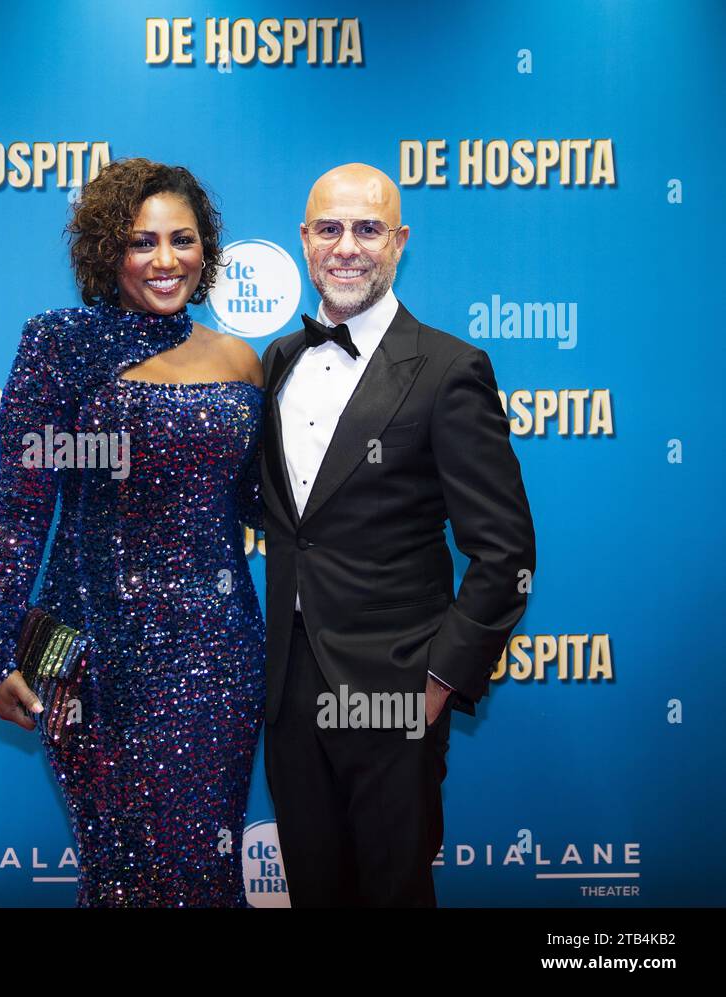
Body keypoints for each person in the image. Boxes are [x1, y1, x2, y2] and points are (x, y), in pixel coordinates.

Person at [0, 158, 266, 906]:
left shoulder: (241, 358)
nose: (166, 260)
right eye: (142, 242)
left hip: (220, 654)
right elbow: (20, 506)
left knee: (204, 870)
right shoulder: (60, 344)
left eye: (183, 240)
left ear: (207, 250)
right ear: (107, 250)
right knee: (124, 872)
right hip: (92, 651)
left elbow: (268, 504)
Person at [260, 162, 536, 906]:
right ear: (304, 240)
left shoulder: (449, 369)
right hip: (287, 690)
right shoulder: (277, 362)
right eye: (329, 228)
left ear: (399, 241)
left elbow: (505, 549)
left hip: (395, 689)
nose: (347, 246)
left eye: (368, 228)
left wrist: (438, 682)